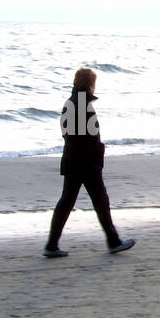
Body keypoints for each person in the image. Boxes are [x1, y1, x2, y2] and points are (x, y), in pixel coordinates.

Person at [43, 68, 135, 258]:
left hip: (72, 160)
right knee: (100, 201)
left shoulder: (70, 103)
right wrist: (98, 154)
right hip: (86, 163)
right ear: (90, 85)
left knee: (67, 202)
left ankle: (52, 245)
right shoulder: (83, 105)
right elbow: (89, 137)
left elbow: (67, 133)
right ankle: (113, 241)